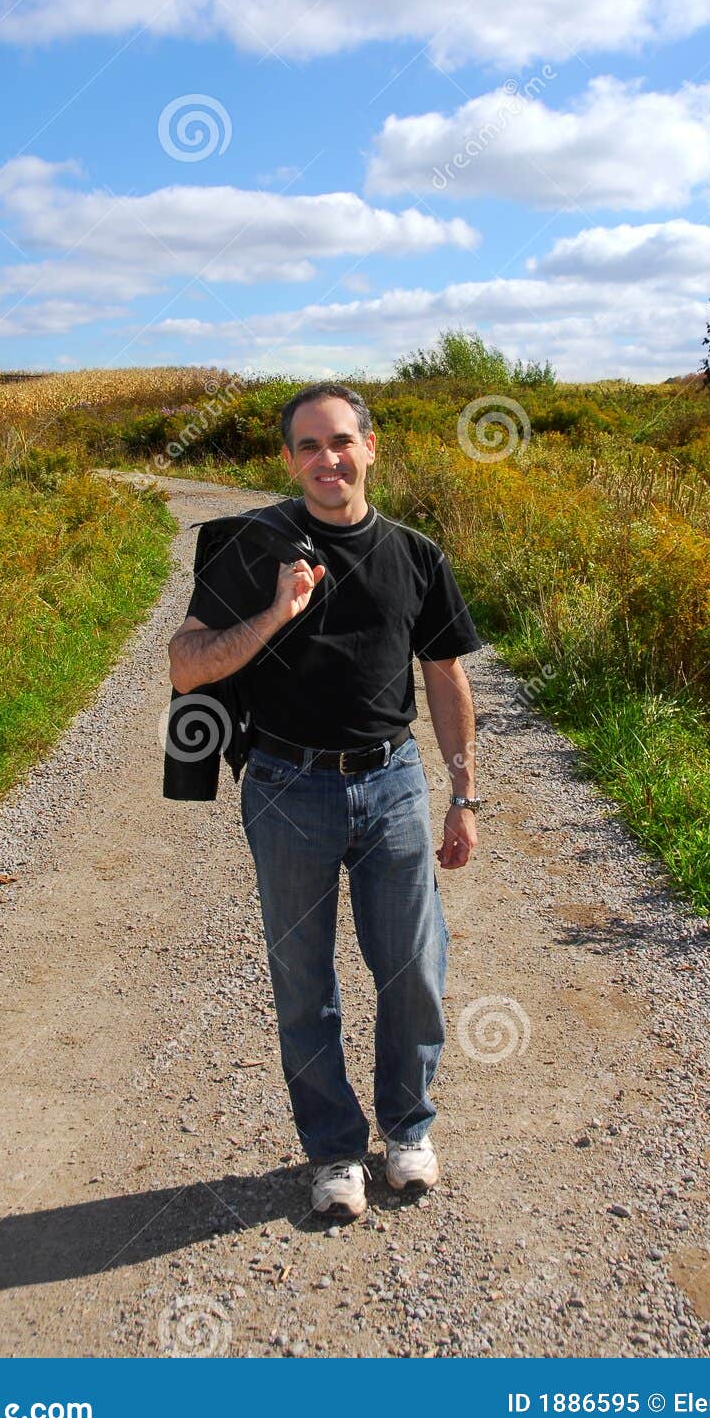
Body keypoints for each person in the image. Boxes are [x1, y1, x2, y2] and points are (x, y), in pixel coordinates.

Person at [167, 383, 482, 1221]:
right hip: (284, 786)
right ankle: (335, 1151)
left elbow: (445, 677)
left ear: (370, 447)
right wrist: (276, 611)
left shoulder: (416, 555)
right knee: (303, 982)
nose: (326, 459)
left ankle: (407, 1130)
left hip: (391, 783)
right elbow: (186, 666)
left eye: (340, 441)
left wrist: (462, 794)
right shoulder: (255, 547)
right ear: (288, 459)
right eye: (307, 446)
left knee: (413, 968)